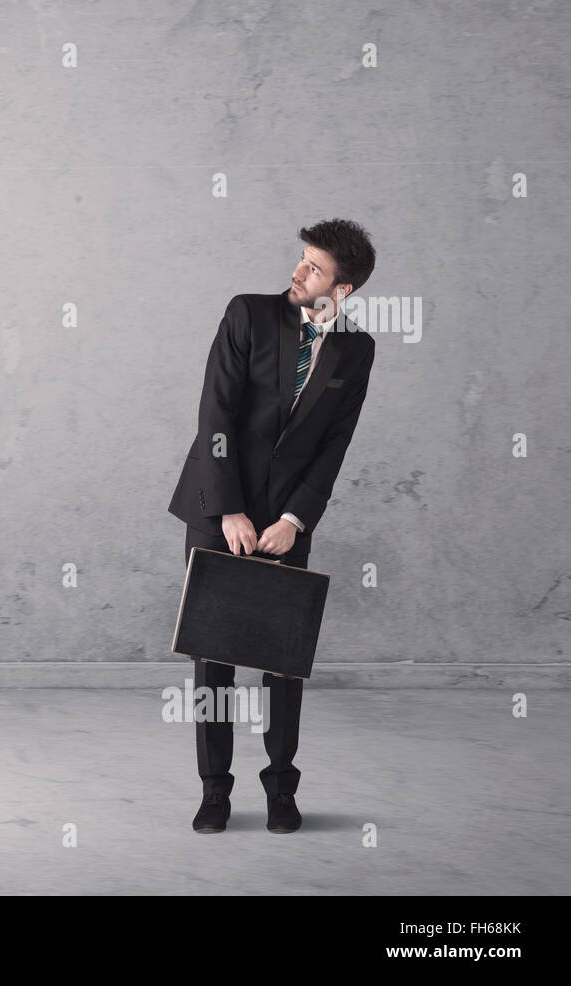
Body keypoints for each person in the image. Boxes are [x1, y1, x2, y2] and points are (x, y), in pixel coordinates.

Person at [166, 218, 377, 834]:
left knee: (283, 661)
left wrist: (294, 518)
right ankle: (215, 791)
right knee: (215, 660)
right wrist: (229, 508)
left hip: (287, 523)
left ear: (343, 291)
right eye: (301, 259)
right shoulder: (248, 315)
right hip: (217, 508)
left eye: (315, 268)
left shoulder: (356, 350)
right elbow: (216, 412)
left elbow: (335, 445)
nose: (298, 272)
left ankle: (281, 790)